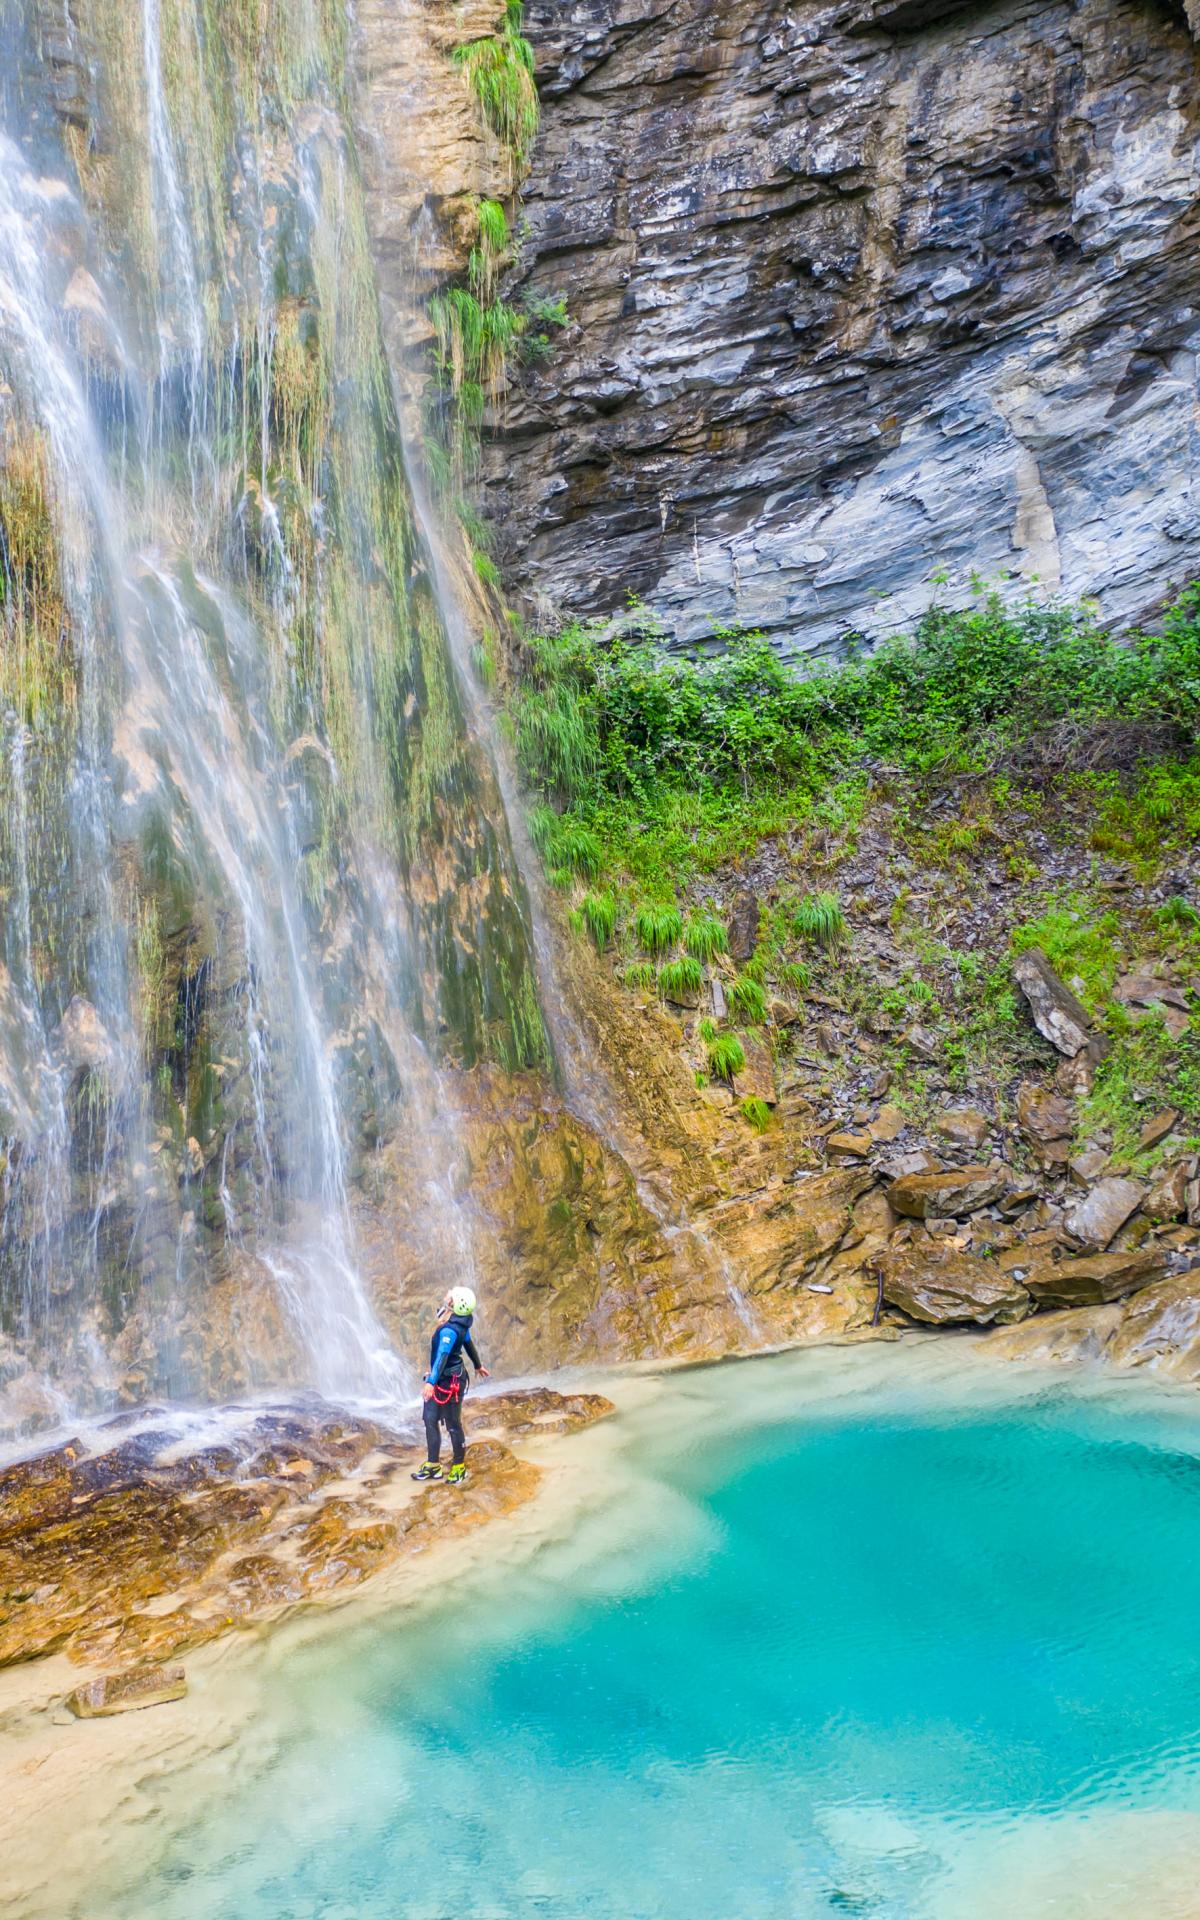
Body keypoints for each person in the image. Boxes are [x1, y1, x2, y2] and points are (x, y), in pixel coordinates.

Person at [412, 1285, 489, 1485]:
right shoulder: (458, 1323)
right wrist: (478, 1365)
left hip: (450, 1381)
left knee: (453, 1424)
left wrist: (431, 1382)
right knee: (430, 1419)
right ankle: (433, 1465)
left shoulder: (451, 1330)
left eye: (451, 1295)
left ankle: (458, 1467)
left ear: (456, 1304)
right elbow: (469, 1345)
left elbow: (443, 1356)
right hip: (442, 1378)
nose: (447, 1294)